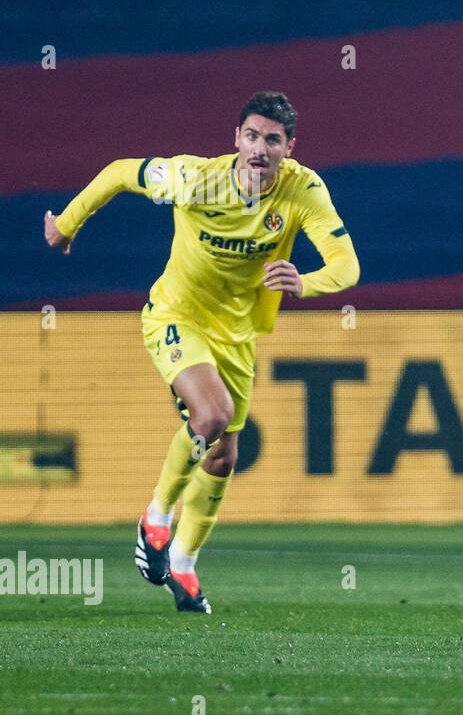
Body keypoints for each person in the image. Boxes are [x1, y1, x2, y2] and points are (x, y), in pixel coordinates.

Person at [43, 91, 360, 614]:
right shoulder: (194, 179)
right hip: (176, 317)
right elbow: (123, 172)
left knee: (223, 456)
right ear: (236, 138)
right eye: (252, 136)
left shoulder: (303, 190)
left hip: (235, 335)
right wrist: (67, 224)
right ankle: (156, 518)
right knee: (213, 415)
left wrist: (306, 282)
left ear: (290, 147)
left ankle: (185, 567)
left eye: (272, 140)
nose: (260, 149)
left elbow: (347, 265)